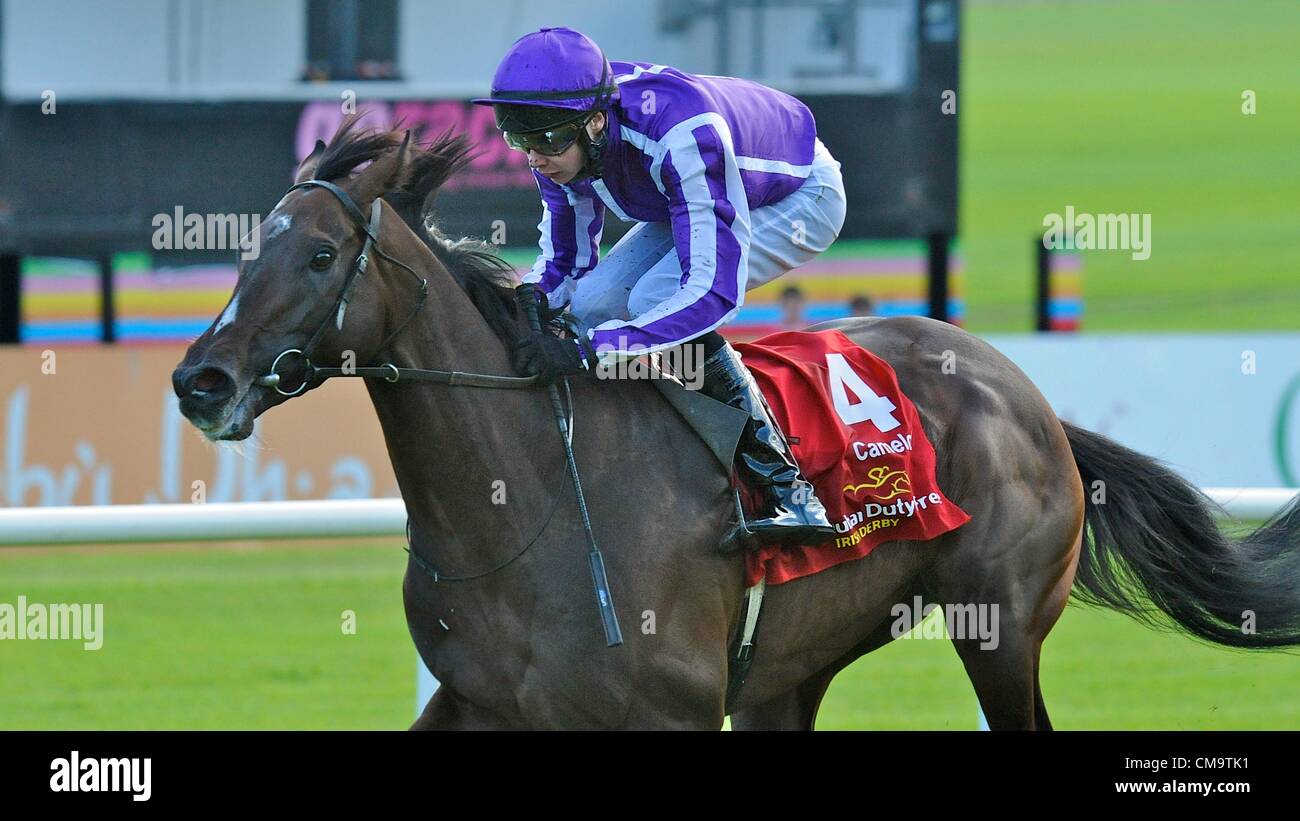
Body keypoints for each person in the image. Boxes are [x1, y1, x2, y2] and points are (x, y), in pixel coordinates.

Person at [472, 27, 847, 546]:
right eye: (521, 141)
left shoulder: (680, 133)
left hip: (797, 194)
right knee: (589, 306)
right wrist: (529, 302)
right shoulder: (558, 137)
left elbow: (711, 292)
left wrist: (597, 350)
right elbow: (565, 261)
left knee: (652, 301)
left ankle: (789, 489)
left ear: (596, 122)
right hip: (695, 191)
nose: (535, 157)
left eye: (547, 141)